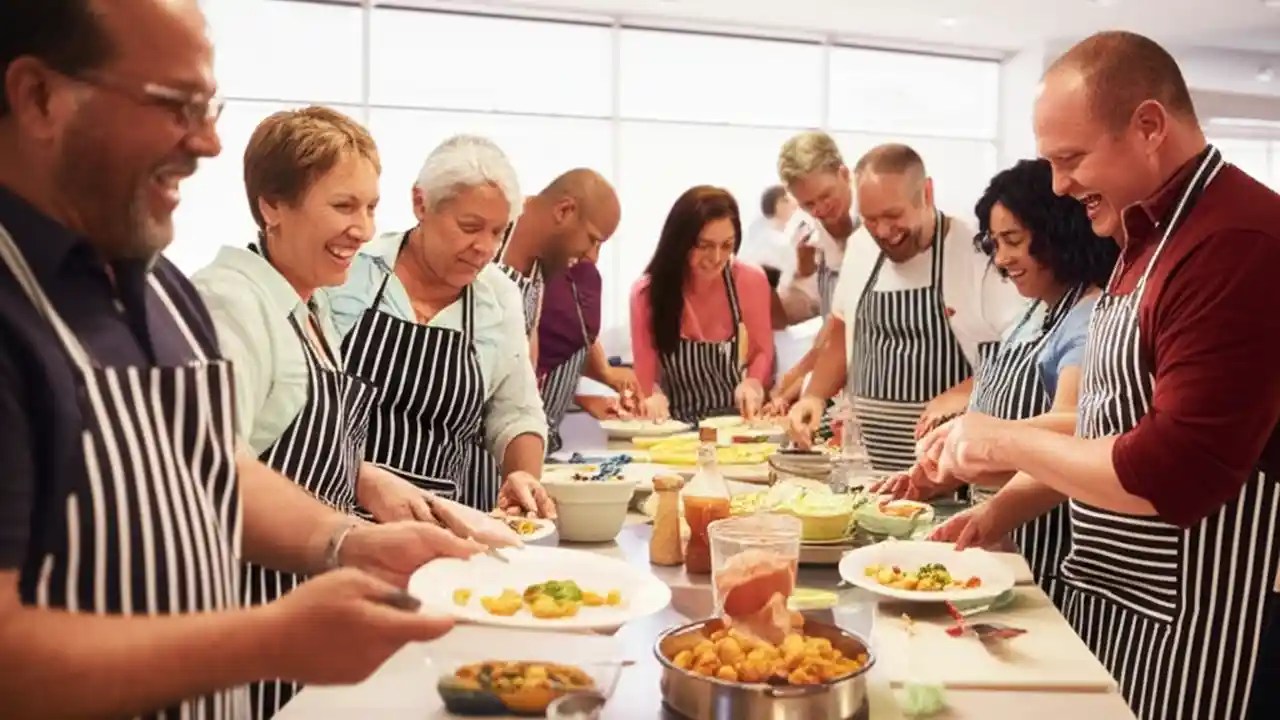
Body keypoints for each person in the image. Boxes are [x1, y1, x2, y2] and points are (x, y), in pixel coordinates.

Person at [0, 2, 487, 718]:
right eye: (173, 105)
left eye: (209, 107)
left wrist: (347, 541)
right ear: (39, 97)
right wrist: (267, 640)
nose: (208, 142)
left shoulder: (163, 292)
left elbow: (214, 465)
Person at [921, 31, 1280, 720]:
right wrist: (999, 510)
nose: (1059, 185)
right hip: (1120, 598)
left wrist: (1002, 439)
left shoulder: (1235, 243)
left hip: (1204, 619)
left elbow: (1171, 471)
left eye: (1071, 159)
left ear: (1148, 126)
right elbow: (1105, 427)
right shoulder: (1142, 238)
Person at [192, 107, 519, 718]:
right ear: (272, 206)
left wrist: (370, 480)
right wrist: (355, 539)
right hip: (256, 617)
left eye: (370, 207)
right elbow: (213, 474)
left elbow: (290, 439)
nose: (366, 230)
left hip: (316, 610)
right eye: (344, 207)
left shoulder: (310, 304)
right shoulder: (231, 304)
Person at [881, 157, 1115, 606]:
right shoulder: (1033, 311)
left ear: (1056, 233)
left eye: (1014, 241)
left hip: (1043, 549)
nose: (1002, 259)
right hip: (998, 543)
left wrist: (985, 447)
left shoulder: (1085, 320)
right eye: (996, 243)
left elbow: (1074, 431)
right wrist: (934, 474)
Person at [330, 134, 554, 517]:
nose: (486, 248)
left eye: (499, 232)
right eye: (470, 226)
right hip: (335, 515)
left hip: (440, 524)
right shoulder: (351, 272)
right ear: (421, 203)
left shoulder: (499, 297)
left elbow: (516, 412)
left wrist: (522, 476)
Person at [786, 143, 1028, 473]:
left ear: (926, 193)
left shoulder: (974, 255)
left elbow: (1022, 353)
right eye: (871, 219)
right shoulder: (860, 247)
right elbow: (843, 329)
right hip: (866, 470)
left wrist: (966, 390)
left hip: (946, 474)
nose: (883, 231)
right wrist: (814, 395)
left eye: (893, 216)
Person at [466, 169, 622, 488]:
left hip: (511, 462)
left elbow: (527, 374)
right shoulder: (487, 243)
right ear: (564, 210)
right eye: (593, 239)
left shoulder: (541, 267)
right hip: (465, 464)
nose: (592, 256)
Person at [630, 185, 774, 423]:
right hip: (675, 428)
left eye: (726, 246)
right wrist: (652, 397)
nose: (716, 258)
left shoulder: (749, 281)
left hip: (734, 424)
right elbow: (646, 376)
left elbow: (762, 351)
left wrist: (753, 382)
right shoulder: (646, 293)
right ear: (680, 242)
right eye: (704, 245)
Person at [536, 259, 640, 454]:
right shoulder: (537, 287)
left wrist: (591, 391)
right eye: (592, 244)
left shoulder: (584, 277)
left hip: (546, 444)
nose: (592, 256)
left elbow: (579, 340)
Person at [739, 184, 796, 278]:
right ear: (777, 204)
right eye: (786, 201)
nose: (793, 205)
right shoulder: (777, 240)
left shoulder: (764, 234)